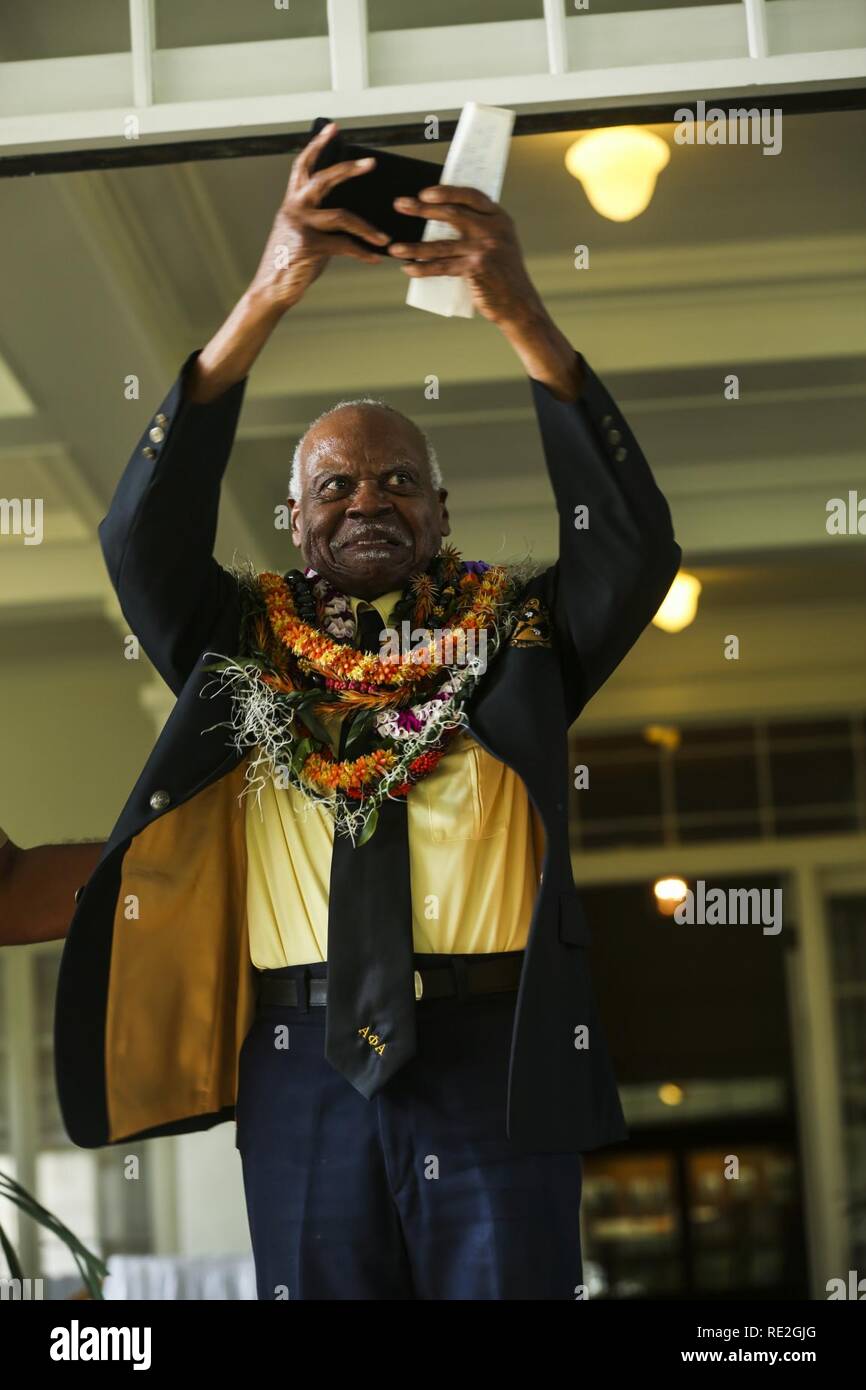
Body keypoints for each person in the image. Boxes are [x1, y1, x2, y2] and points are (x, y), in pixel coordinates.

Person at [52, 121, 681, 1300]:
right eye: (332, 484)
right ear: (294, 520)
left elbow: (634, 546)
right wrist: (272, 285)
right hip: (298, 1061)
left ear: (440, 509)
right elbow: (141, 534)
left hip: (495, 1054)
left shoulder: (520, 636)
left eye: (397, 480)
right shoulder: (232, 644)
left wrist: (517, 314)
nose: (366, 499)